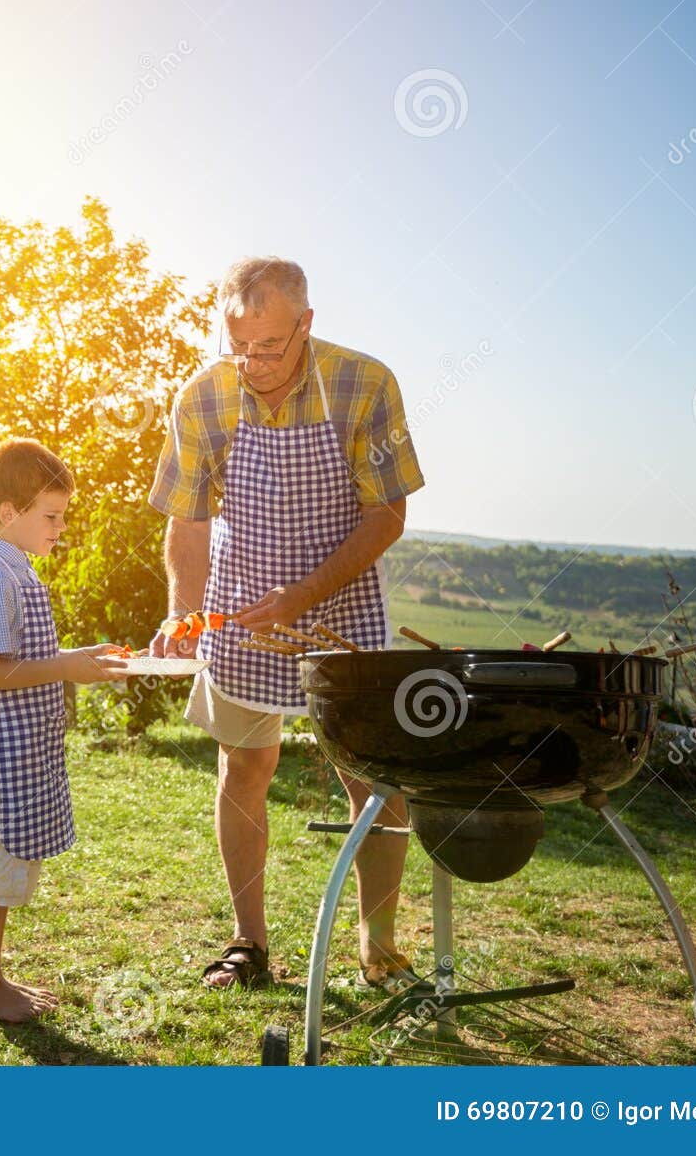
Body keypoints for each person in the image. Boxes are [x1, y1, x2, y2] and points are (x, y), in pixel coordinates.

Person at [148, 257, 425, 990]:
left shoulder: (365, 384)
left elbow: (388, 514)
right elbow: (189, 524)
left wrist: (304, 594)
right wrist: (183, 608)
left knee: (374, 780)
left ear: (306, 324)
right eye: (239, 346)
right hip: (243, 607)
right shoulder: (203, 398)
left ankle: (381, 949)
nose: (254, 363)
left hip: (343, 609)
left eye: (270, 346)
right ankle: (249, 945)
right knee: (244, 767)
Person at [0, 439, 130, 1022]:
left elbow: (23, 656)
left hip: (17, 746)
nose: (60, 528)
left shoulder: (15, 568)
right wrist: (65, 668)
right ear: (8, 512)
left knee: (8, 860)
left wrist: (80, 655)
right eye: (51, 516)